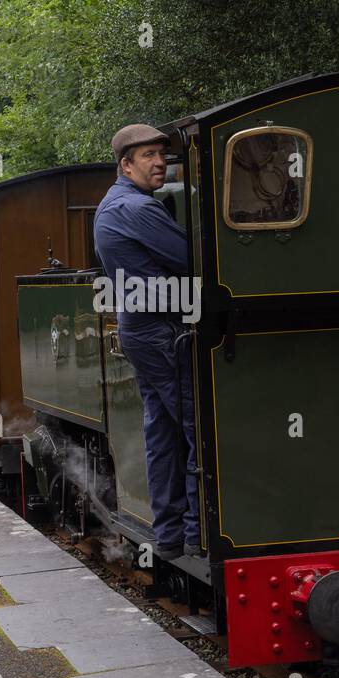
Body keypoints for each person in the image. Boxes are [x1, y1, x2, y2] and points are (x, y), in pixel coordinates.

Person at [94, 124, 201, 561]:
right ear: (126, 164)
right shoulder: (136, 209)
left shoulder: (114, 205)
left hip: (144, 329)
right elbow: (194, 258)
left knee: (162, 432)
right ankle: (197, 533)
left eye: (162, 154)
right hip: (163, 332)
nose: (159, 162)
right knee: (199, 428)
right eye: (148, 156)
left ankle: (171, 533)